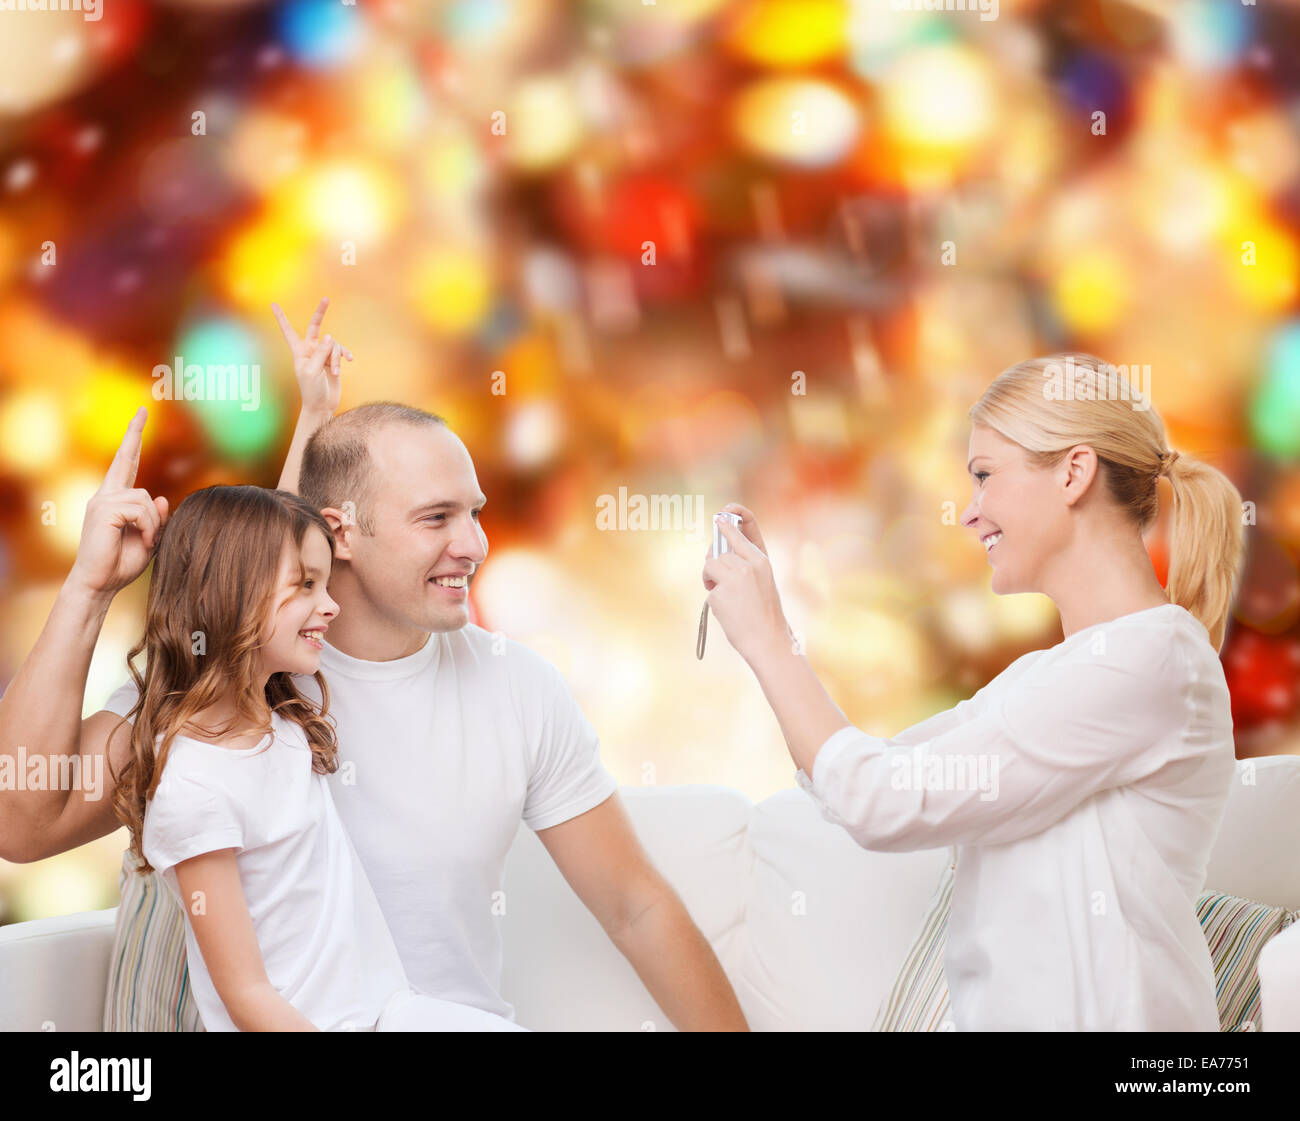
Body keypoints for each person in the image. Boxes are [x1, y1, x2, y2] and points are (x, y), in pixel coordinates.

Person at [0, 299, 748, 1031]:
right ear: (341, 534)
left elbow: (636, 904)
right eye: (436, 517)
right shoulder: (221, 690)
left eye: (476, 512)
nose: (474, 544)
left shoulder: (517, 687)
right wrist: (88, 587)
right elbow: (21, 824)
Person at [702, 352, 1245, 1031]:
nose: (969, 513)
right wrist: (771, 630)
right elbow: (867, 776)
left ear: (1073, 472)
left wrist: (768, 641)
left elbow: (878, 799)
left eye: (985, 476)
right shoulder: (1048, 679)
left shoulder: (1153, 660)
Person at [113, 482, 525, 1031]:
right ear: (228, 594)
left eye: (325, 582)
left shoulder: (280, 717)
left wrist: (313, 412)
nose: (330, 605)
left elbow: (264, 532)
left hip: (388, 1013)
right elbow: (246, 997)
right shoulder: (194, 784)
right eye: (307, 585)